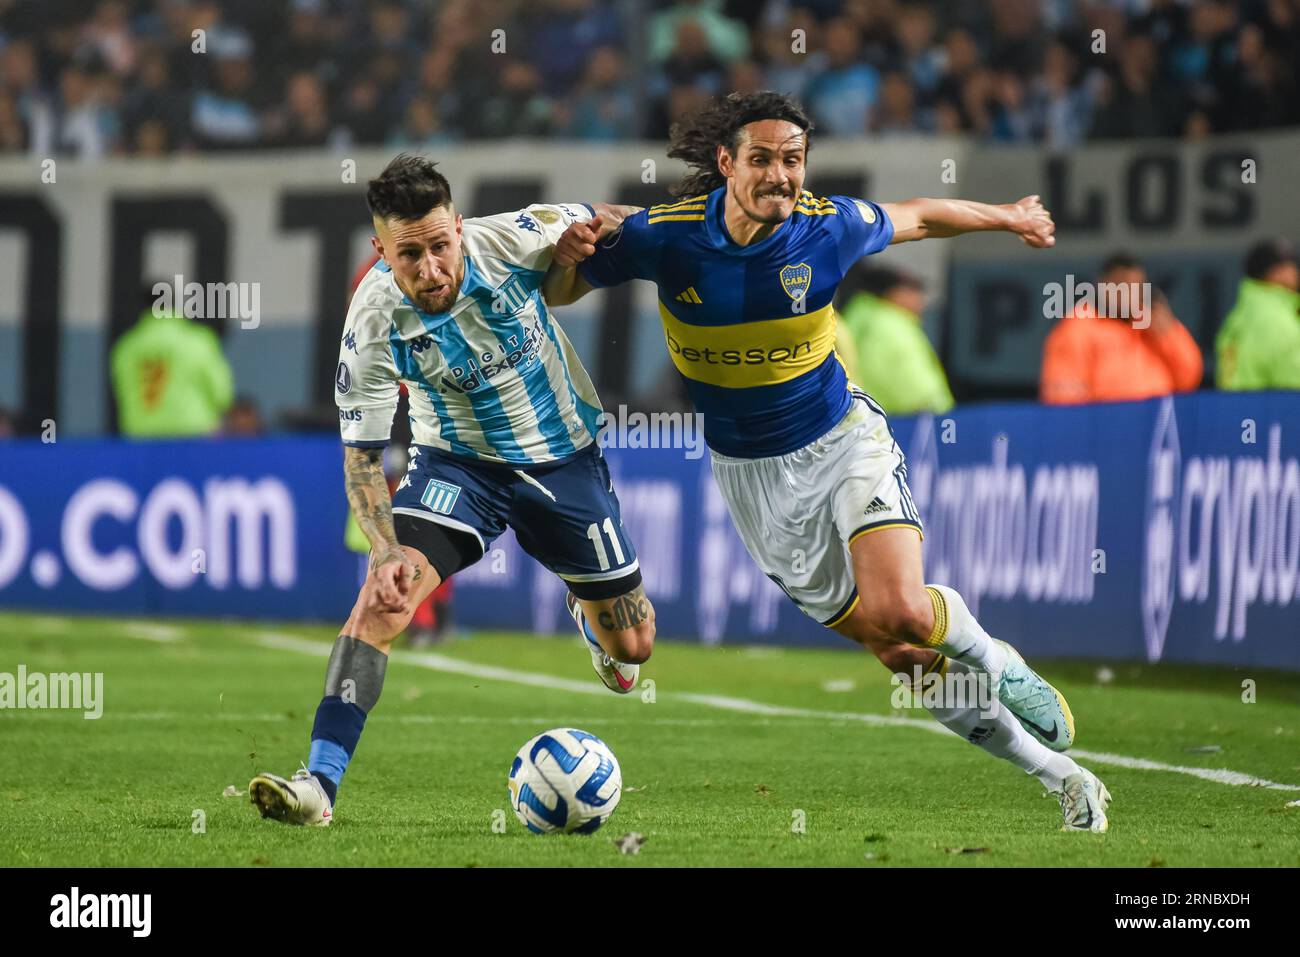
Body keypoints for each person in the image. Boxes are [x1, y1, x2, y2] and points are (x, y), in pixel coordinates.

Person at [545, 91, 1111, 832]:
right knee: (895, 650)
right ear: (726, 164)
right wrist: (567, 254)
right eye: (763, 160)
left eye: (793, 160)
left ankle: (999, 661)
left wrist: (1009, 217)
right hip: (753, 476)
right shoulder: (665, 237)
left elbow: (918, 215)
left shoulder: (829, 226)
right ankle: (1066, 778)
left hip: (842, 439)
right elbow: (560, 286)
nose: (781, 176)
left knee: (904, 609)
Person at [249, 155, 653, 827]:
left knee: (634, 645)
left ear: (459, 228)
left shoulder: (515, 237)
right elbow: (362, 459)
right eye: (411, 255)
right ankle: (319, 783)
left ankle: (589, 613)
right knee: (385, 598)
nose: (432, 267)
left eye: (441, 245)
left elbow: (621, 219)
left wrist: (599, 236)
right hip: (457, 468)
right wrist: (383, 552)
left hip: (564, 462)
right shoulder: (373, 322)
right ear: (381, 251)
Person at [1040, 252, 1202, 405]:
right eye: (1121, 287)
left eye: (1136, 287)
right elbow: (1063, 399)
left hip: (1157, 422)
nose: (1128, 295)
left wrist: (1168, 333)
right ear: (1102, 285)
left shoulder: (1154, 324)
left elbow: (1189, 379)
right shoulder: (1078, 328)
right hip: (1106, 426)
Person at [110, 286, 233, 437]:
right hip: (194, 434)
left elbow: (119, 393)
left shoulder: (126, 347)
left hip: (141, 436)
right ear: (174, 304)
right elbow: (222, 394)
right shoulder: (197, 341)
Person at [837, 267, 954, 415]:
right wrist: (938, 408)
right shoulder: (890, 325)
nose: (921, 301)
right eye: (914, 291)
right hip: (904, 419)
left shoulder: (861, 318)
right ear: (895, 293)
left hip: (868, 415)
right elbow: (911, 381)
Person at [1215, 238, 1300, 391]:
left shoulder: (1239, 315)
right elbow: (1294, 381)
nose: (1295, 272)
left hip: (1236, 409)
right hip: (1273, 411)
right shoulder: (1277, 319)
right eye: (1289, 266)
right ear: (1275, 274)